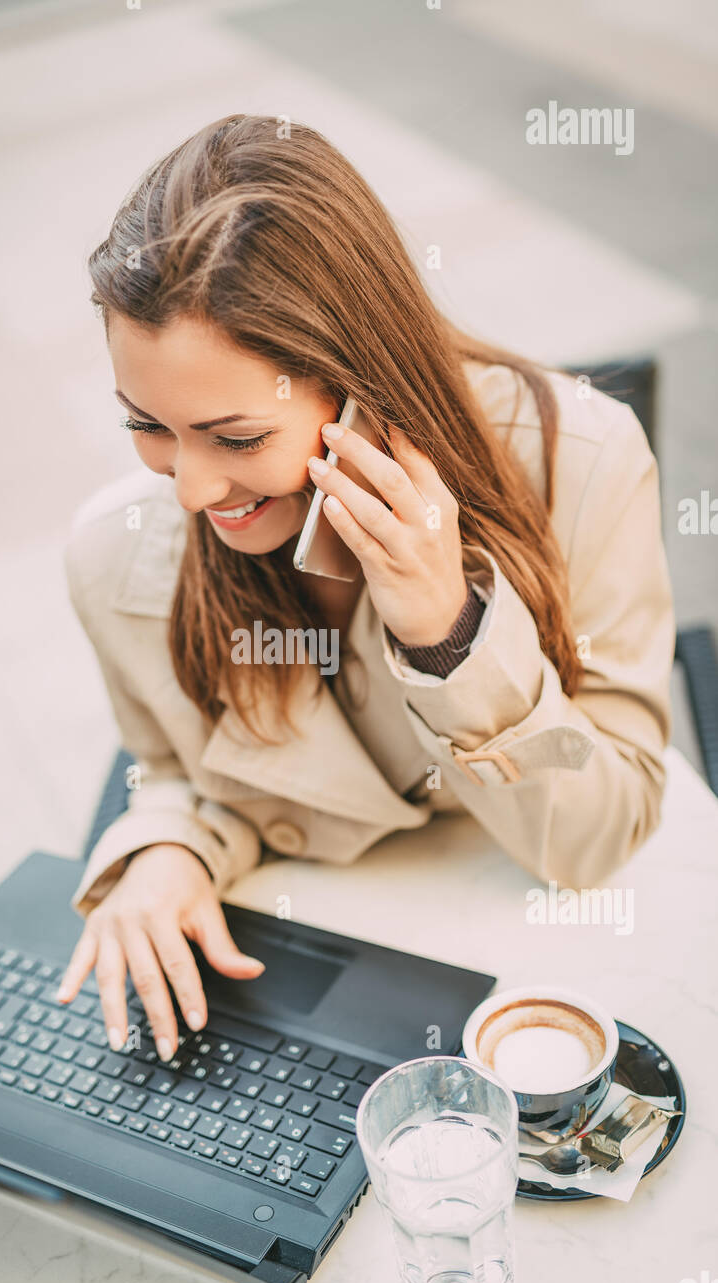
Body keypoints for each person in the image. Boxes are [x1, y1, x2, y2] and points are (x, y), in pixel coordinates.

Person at [57, 114, 674, 1062]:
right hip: (313, 962)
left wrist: (446, 629)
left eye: (235, 438)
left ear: (361, 386)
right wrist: (166, 850)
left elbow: (595, 844)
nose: (187, 489)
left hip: (540, 965)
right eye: (146, 424)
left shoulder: (582, 463)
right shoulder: (113, 556)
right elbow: (175, 771)